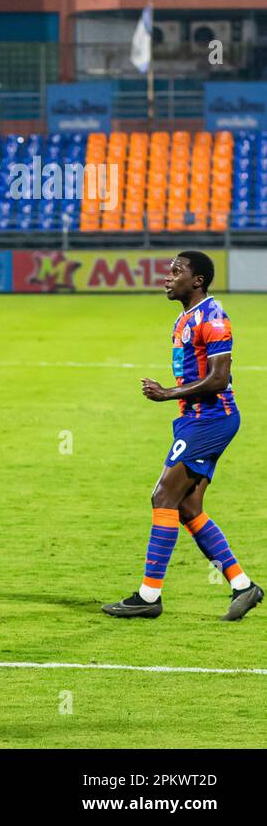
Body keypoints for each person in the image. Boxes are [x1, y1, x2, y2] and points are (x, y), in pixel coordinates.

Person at [103, 251, 262, 621]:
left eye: (177, 271)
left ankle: (149, 595)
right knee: (188, 508)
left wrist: (166, 394)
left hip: (210, 419)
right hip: (195, 419)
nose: (168, 277)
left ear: (198, 281)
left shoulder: (214, 317)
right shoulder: (187, 317)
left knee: (163, 495)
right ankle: (243, 586)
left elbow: (220, 379)